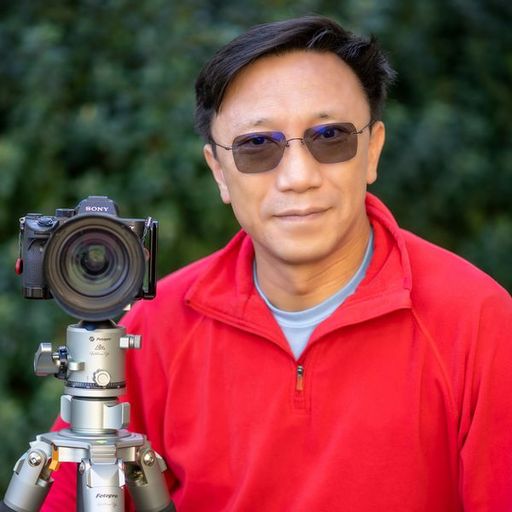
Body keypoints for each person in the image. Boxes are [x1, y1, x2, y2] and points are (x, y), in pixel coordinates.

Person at [42, 15, 512, 511]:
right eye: (257, 146)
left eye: (330, 136)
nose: (298, 176)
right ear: (219, 172)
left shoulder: (479, 322)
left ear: (372, 150)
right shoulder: (157, 327)